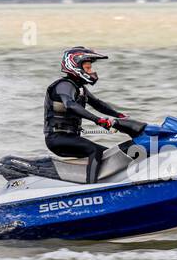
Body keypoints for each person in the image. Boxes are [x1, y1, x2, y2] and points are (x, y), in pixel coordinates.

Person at [44, 47, 131, 182]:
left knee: (109, 154)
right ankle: (92, 187)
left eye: (91, 68)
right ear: (76, 67)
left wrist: (119, 115)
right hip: (58, 138)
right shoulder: (64, 85)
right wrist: (98, 120)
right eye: (88, 68)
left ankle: (109, 181)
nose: (92, 71)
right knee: (94, 151)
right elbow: (70, 105)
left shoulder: (79, 88)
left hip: (70, 137)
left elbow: (97, 104)